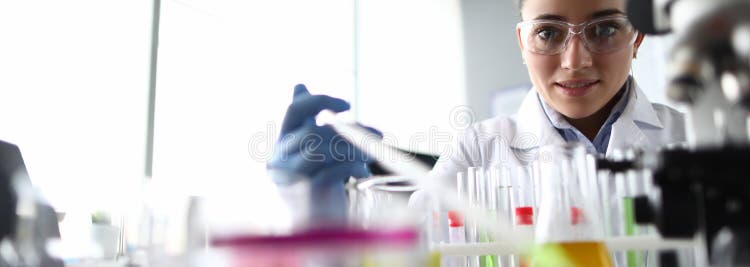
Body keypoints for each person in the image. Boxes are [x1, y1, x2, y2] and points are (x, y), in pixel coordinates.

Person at [268, 0, 686, 225]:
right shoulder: (476, 150)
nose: (575, 60)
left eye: (605, 29)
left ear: (637, 37)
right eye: (547, 32)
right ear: (523, 43)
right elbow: (408, 253)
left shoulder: (690, 139)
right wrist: (315, 212)